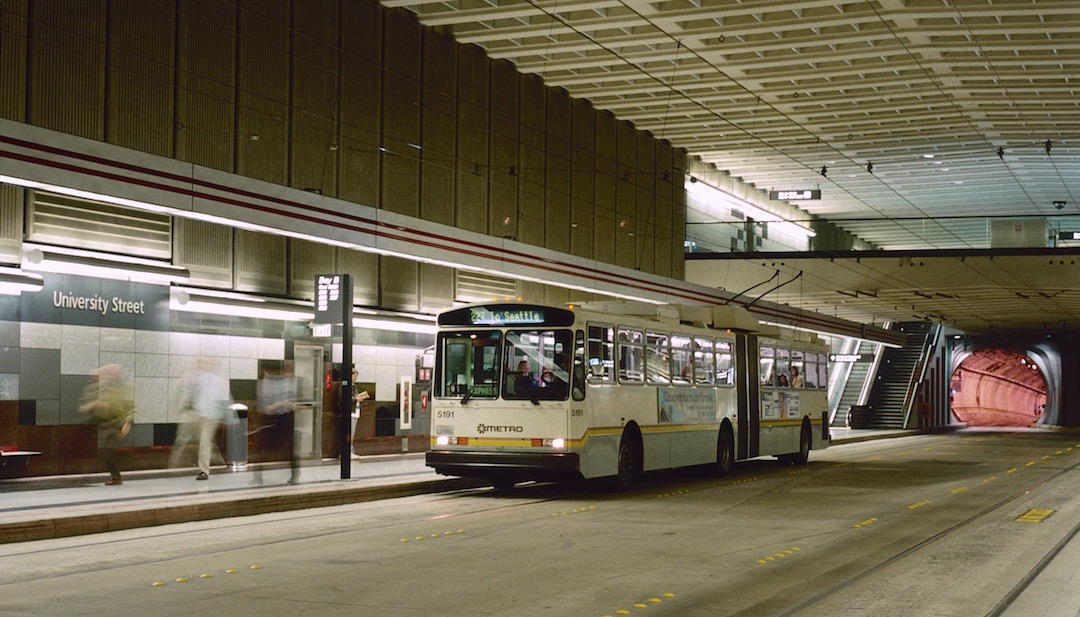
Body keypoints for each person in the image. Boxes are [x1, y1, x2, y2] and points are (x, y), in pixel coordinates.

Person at [171, 357, 233, 481]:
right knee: (196, 441)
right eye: (202, 363)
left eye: (207, 363)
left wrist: (231, 418)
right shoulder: (195, 377)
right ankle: (219, 462)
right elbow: (188, 394)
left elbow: (226, 399)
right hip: (197, 415)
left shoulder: (217, 381)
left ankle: (204, 471)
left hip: (211, 417)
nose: (204, 365)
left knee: (205, 442)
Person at [78, 364, 134, 486]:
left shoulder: (124, 388)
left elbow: (129, 407)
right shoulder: (102, 388)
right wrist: (96, 404)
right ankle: (111, 475)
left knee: (108, 449)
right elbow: (87, 404)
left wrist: (127, 423)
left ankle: (116, 477)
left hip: (115, 423)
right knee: (104, 449)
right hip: (101, 423)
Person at [255, 360, 300, 484]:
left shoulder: (269, 383)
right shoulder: (272, 383)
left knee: (264, 448)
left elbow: (265, 407)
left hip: (277, 418)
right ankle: (258, 476)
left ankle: (258, 476)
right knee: (267, 448)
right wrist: (283, 403)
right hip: (278, 418)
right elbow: (267, 407)